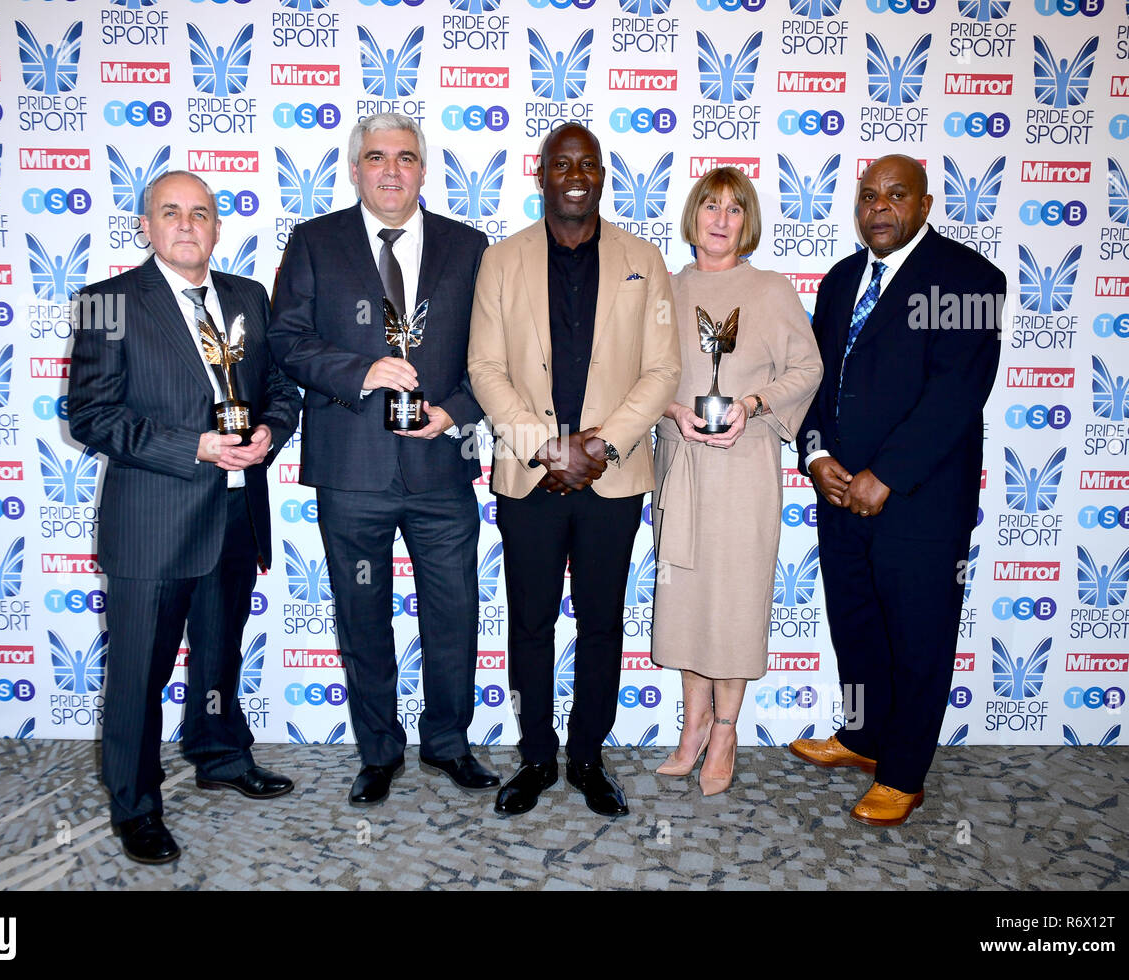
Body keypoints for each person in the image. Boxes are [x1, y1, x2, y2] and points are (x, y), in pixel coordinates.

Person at [68, 170, 303, 864]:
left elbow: (280, 388)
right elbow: (90, 415)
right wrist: (191, 447)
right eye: (170, 212)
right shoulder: (105, 303)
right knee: (139, 672)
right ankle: (134, 805)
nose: (186, 224)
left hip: (235, 517)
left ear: (216, 227)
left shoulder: (249, 298)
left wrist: (270, 435)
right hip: (153, 523)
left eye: (200, 213)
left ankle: (220, 754)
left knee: (220, 652)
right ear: (146, 225)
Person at [269, 113, 498, 807]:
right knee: (361, 611)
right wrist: (363, 371)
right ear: (355, 169)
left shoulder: (469, 247)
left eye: (405, 157)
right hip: (352, 469)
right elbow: (286, 338)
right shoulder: (315, 242)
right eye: (376, 157)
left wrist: (455, 412)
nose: (391, 170)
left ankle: (450, 744)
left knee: (454, 611)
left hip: (441, 465)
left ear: (424, 170)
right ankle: (378, 749)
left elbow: (495, 355)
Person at [468, 123, 680, 817]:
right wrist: (544, 447)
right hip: (530, 477)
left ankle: (587, 755)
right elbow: (485, 368)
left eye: (588, 163)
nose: (576, 173)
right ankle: (534, 755)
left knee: (601, 620)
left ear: (601, 175)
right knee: (529, 622)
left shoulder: (643, 258)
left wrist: (601, 446)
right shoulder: (501, 261)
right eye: (563, 163)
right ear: (542, 173)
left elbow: (662, 370)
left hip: (610, 478)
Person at [792, 154, 1005, 826]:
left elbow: (957, 392)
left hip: (919, 504)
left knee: (918, 639)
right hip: (839, 497)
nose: (878, 208)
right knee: (855, 627)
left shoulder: (969, 278)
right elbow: (815, 382)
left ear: (924, 204)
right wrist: (816, 453)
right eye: (867, 196)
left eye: (895, 195)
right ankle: (861, 737)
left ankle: (904, 773)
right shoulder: (839, 280)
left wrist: (888, 474)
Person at [650, 167, 822, 795]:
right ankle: (691, 727)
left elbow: (807, 368)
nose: (721, 219)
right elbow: (640, 374)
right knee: (689, 599)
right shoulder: (661, 289)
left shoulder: (772, 290)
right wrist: (671, 410)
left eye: (735, 209)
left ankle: (725, 732)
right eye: (711, 206)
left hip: (745, 466)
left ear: (747, 223)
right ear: (693, 214)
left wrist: (751, 403)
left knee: (735, 599)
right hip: (682, 463)